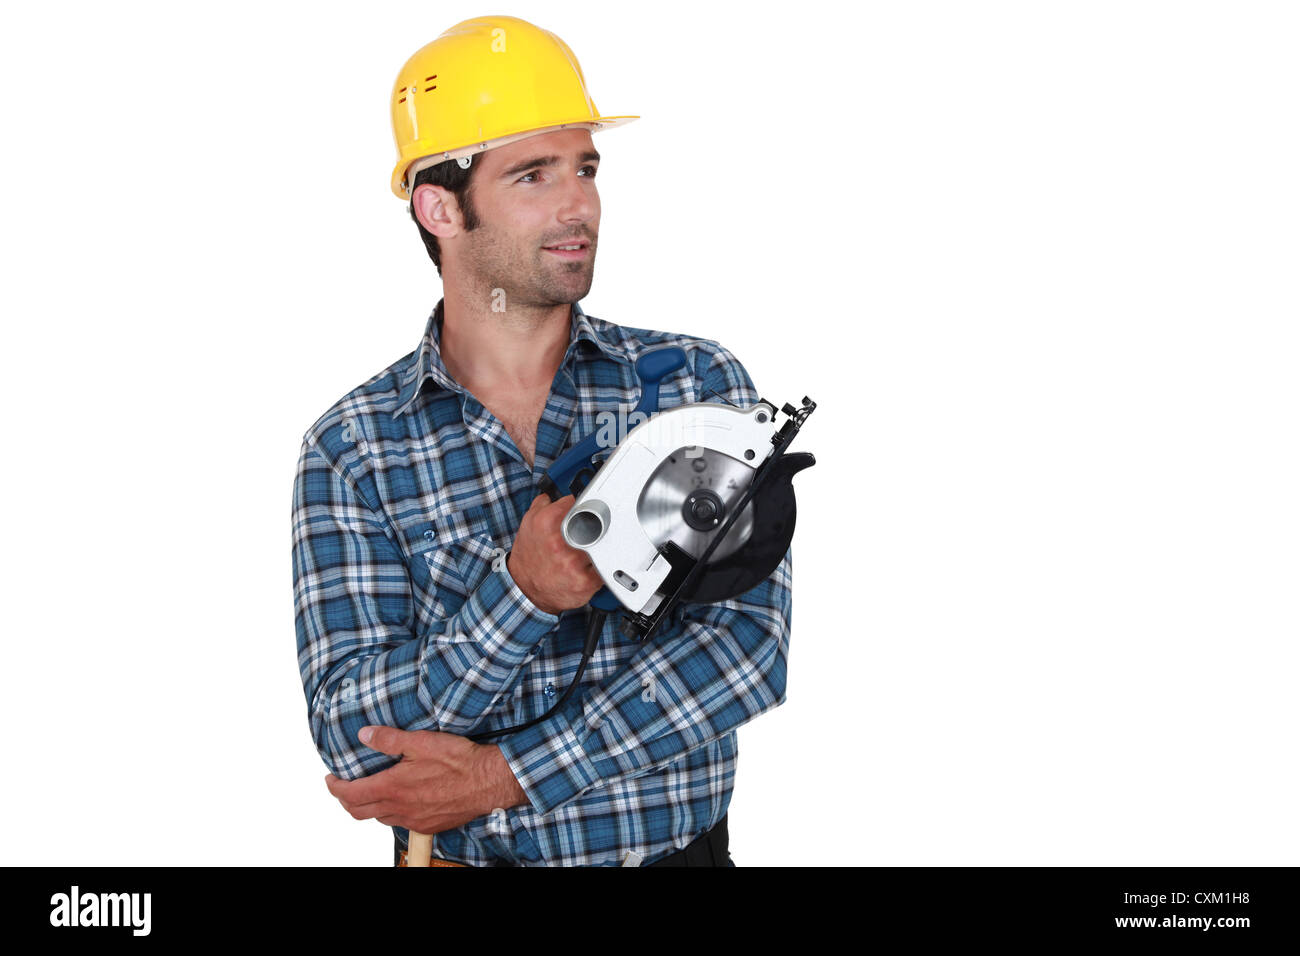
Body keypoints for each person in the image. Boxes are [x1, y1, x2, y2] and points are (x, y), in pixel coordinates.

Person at [291, 15, 792, 867]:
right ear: (439, 206)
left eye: (585, 169)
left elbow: (745, 655)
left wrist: (503, 775)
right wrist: (522, 594)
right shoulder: (355, 448)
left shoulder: (692, 387)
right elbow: (353, 735)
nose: (578, 206)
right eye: (533, 175)